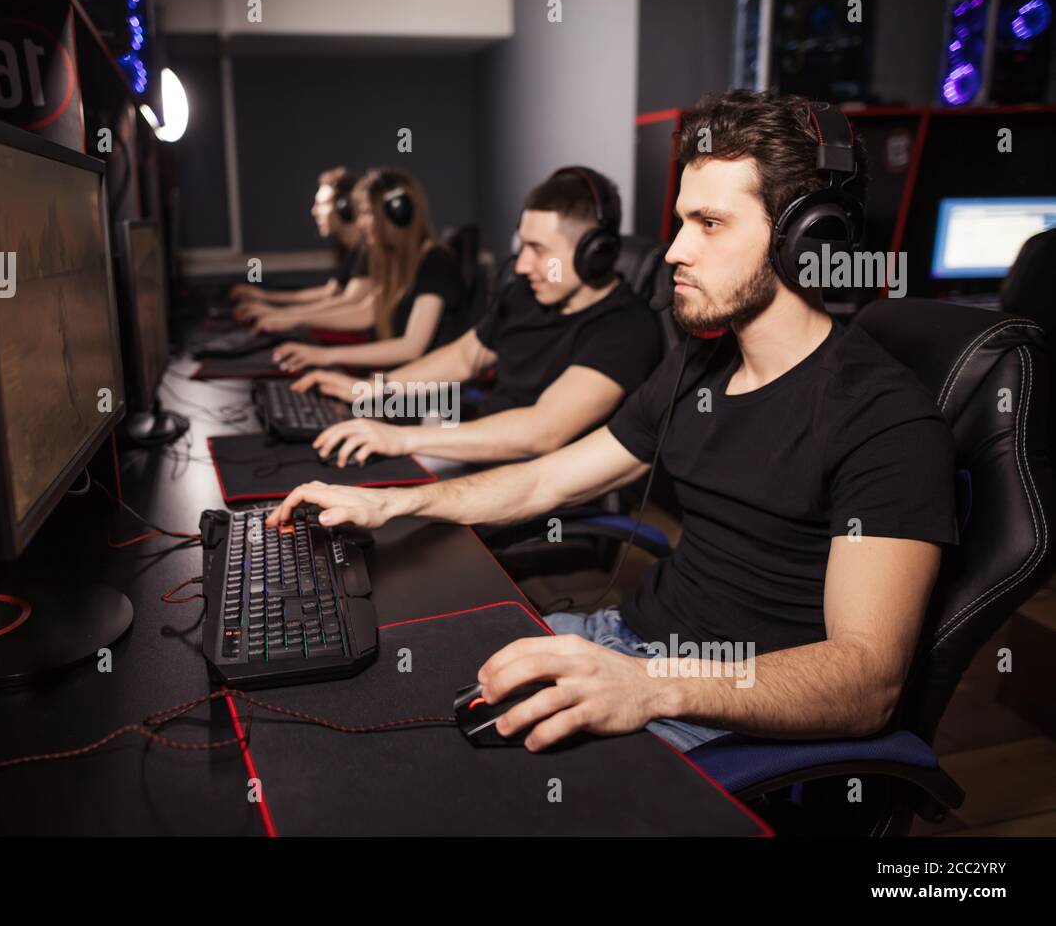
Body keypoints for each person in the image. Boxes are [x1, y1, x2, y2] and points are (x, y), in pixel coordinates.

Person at [266, 90, 959, 755]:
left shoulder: (884, 419)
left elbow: (868, 681)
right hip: (621, 641)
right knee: (368, 688)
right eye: (682, 220)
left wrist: (650, 685)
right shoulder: (700, 364)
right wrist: (396, 502)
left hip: (718, 708)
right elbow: (547, 481)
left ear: (809, 239)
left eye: (710, 224)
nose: (676, 251)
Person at [291, 167, 662, 466]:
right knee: (332, 453)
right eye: (522, 245)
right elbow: (464, 357)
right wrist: (370, 389)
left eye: (537, 248)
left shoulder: (626, 328)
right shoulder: (525, 294)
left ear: (593, 254)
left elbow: (541, 431)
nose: (521, 264)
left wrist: (403, 439)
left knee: (380, 489)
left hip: (530, 480)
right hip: (481, 437)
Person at [270, 166, 466, 372]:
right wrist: (293, 319)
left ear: (397, 214)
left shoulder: (435, 262)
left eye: (367, 213)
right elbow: (367, 312)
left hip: (434, 396)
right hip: (401, 381)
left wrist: (326, 356)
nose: (361, 224)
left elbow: (411, 347)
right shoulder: (396, 259)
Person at [231, 167, 372, 329]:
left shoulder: (367, 249)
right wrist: (266, 297)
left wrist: (284, 315)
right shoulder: (353, 250)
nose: (314, 211)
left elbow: (348, 301)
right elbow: (330, 292)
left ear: (345, 207)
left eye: (322, 204)